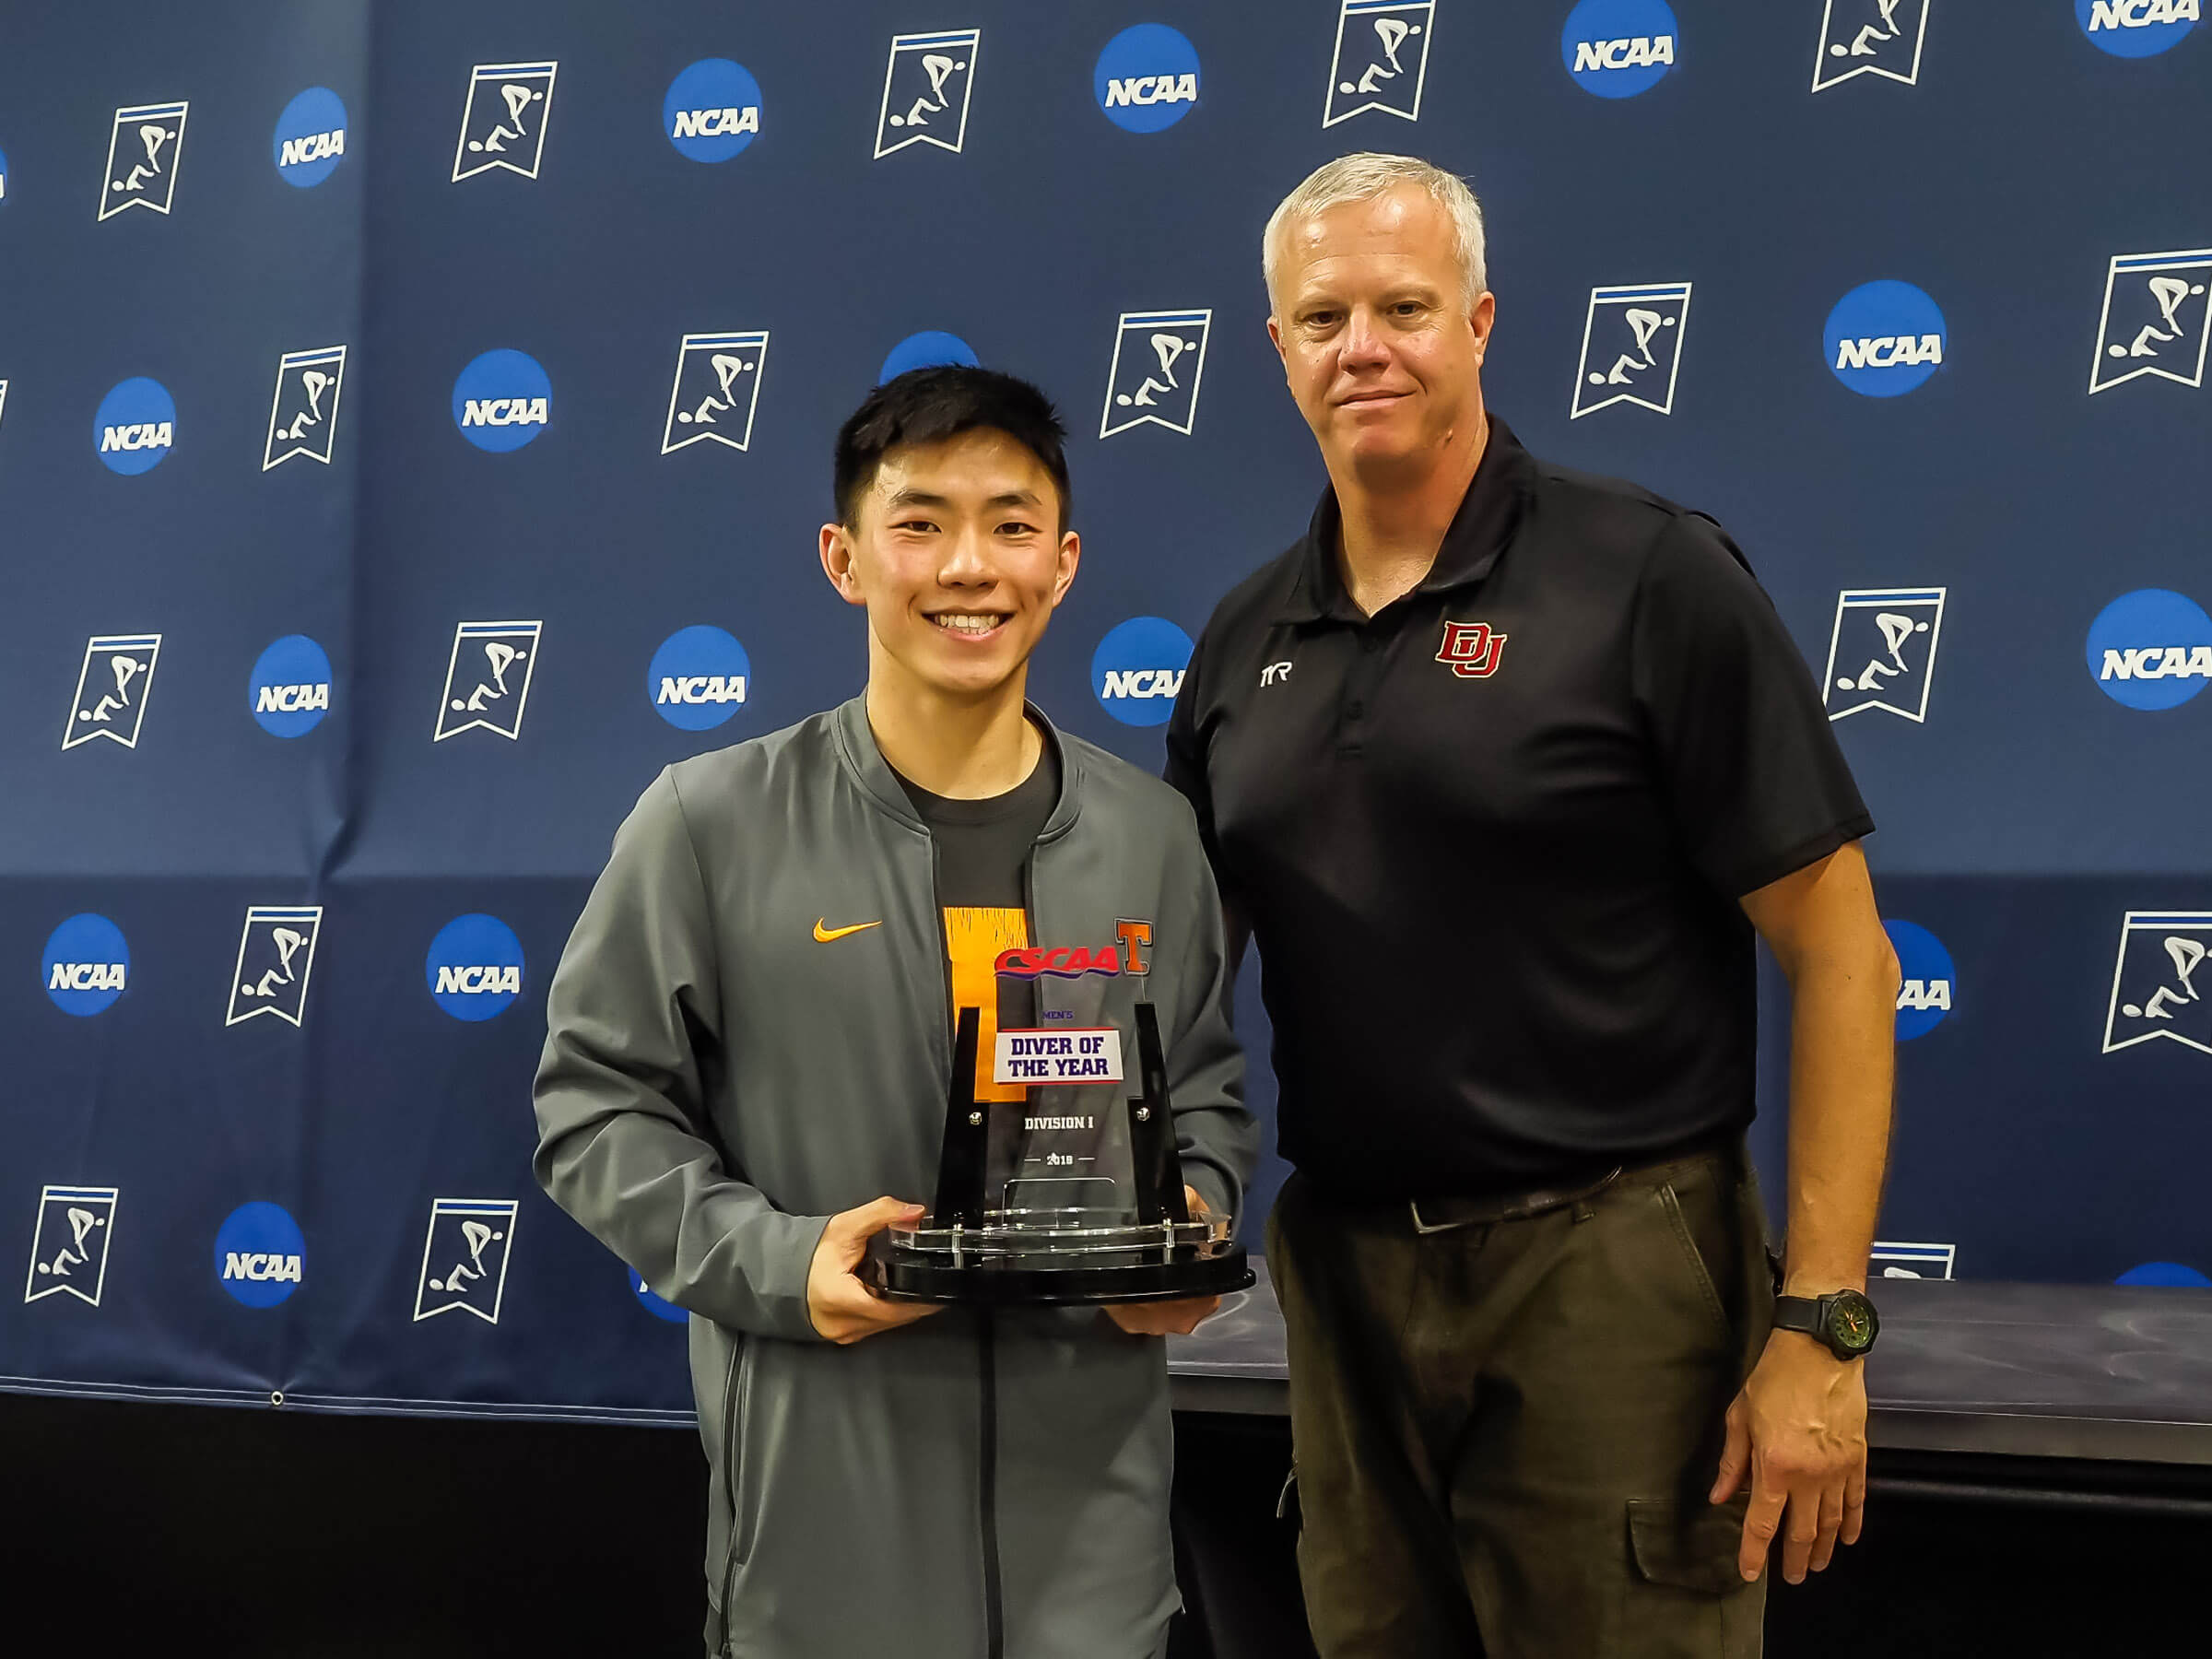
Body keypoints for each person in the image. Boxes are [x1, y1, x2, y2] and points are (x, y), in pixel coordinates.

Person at [1164, 153, 1899, 1657]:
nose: (1362, 345)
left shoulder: (1648, 577)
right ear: (1277, 349)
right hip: (1347, 1289)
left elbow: (1844, 957)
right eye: (1322, 317)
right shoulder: (1244, 641)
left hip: (1609, 1275)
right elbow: (1171, 989)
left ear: (1482, 321)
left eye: (1403, 306)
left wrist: (1821, 1327)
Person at [534, 366, 1255, 1659]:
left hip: (1094, 1564)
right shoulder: (708, 823)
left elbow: (1200, 1085)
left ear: (1065, 561)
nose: (968, 565)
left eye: (1011, 523)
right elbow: (592, 1113)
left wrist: (1187, 1219)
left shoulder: (1152, 837)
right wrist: (775, 1257)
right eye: (919, 522)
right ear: (844, 558)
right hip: (824, 1558)